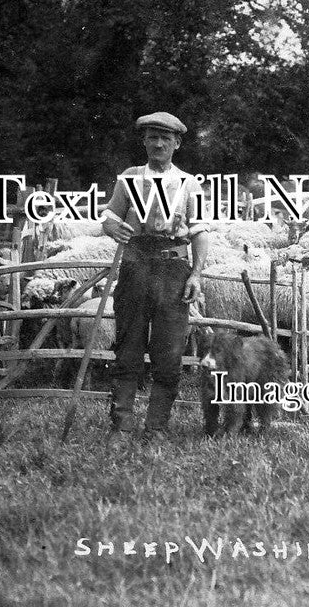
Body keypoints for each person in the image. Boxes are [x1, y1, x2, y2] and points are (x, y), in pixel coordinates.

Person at [101, 112, 208, 444]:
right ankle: (121, 428)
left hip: (173, 273)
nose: (158, 144)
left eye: (165, 138)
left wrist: (196, 275)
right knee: (128, 351)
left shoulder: (190, 184)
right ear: (144, 141)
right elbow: (108, 218)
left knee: (169, 356)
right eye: (151, 137)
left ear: (177, 143)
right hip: (135, 268)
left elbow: (200, 232)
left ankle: (156, 428)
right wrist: (112, 226)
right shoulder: (129, 178)